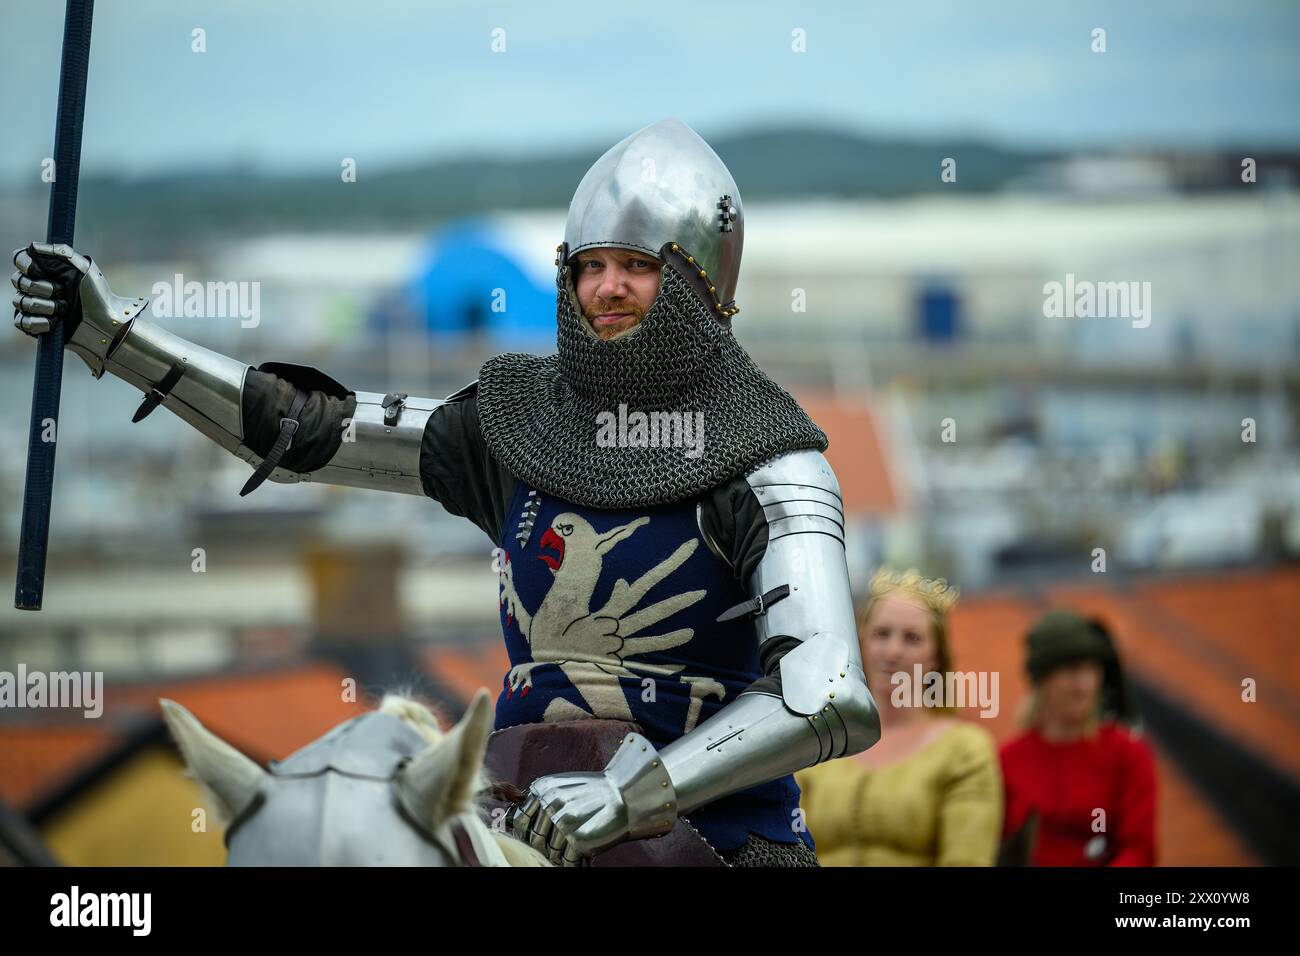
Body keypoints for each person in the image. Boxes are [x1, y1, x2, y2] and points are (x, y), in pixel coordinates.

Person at [12, 117, 881, 866]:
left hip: (717, 842)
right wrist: (110, 333)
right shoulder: (513, 428)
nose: (607, 288)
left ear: (702, 282)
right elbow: (306, 428)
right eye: (590, 265)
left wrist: (641, 791)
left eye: (639, 266)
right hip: (524, 824)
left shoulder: (773, 468)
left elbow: (826, 696)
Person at [796, 568, 1002, 865]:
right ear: (861, 643)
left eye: (912, 638)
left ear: (936, 657)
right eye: (882, 634)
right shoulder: (819, 741)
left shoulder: (965, 750)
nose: (893, 651)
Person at [999, 610, 1156, 866]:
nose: (1084, 685)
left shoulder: (1128, 754)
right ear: (1043, 679)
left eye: (1092, 670)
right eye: (1071, 671)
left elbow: (1140, 850)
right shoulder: (1008, 760)